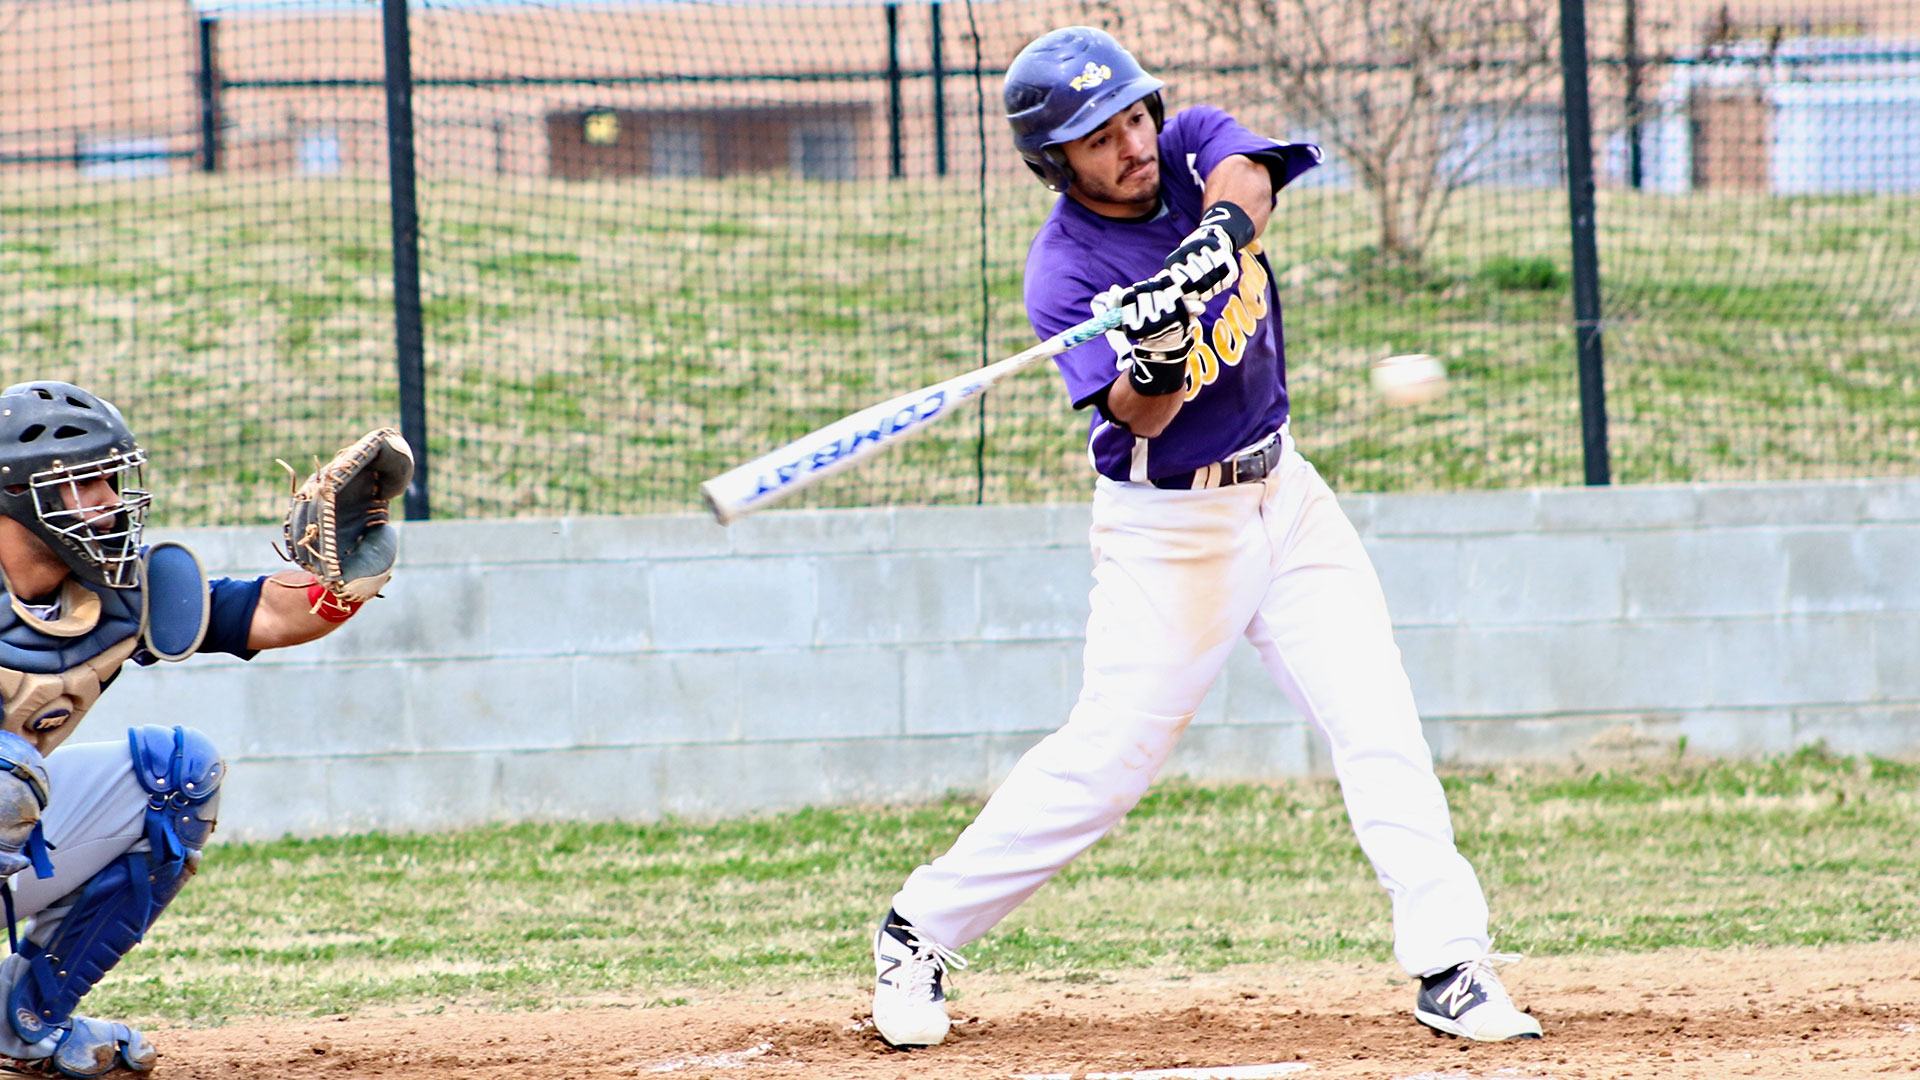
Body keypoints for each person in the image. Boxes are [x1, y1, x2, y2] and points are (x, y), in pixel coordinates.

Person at [868, 26, 1542, 1050]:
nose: (1132, 143)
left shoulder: (1188, 150)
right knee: (1108, 764)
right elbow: (1136, 419)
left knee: (1377, 721)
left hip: (1287, 491)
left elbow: (1247, 172)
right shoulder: (1067, 271)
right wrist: (1159, 351)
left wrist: (1213, 240)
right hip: (1173, 532)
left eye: (1133, 116)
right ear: (1057, 162)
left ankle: (1451, 963)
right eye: (1100, 137)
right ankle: (919, 930)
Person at [0, 380, 408, 1077]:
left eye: (110, 478)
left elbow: (270, 617)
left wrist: (340, 573)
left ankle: (25, 1022)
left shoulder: (114, 595)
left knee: (178, 777)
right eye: (83, 483)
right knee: (8, 773)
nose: (108, 500)